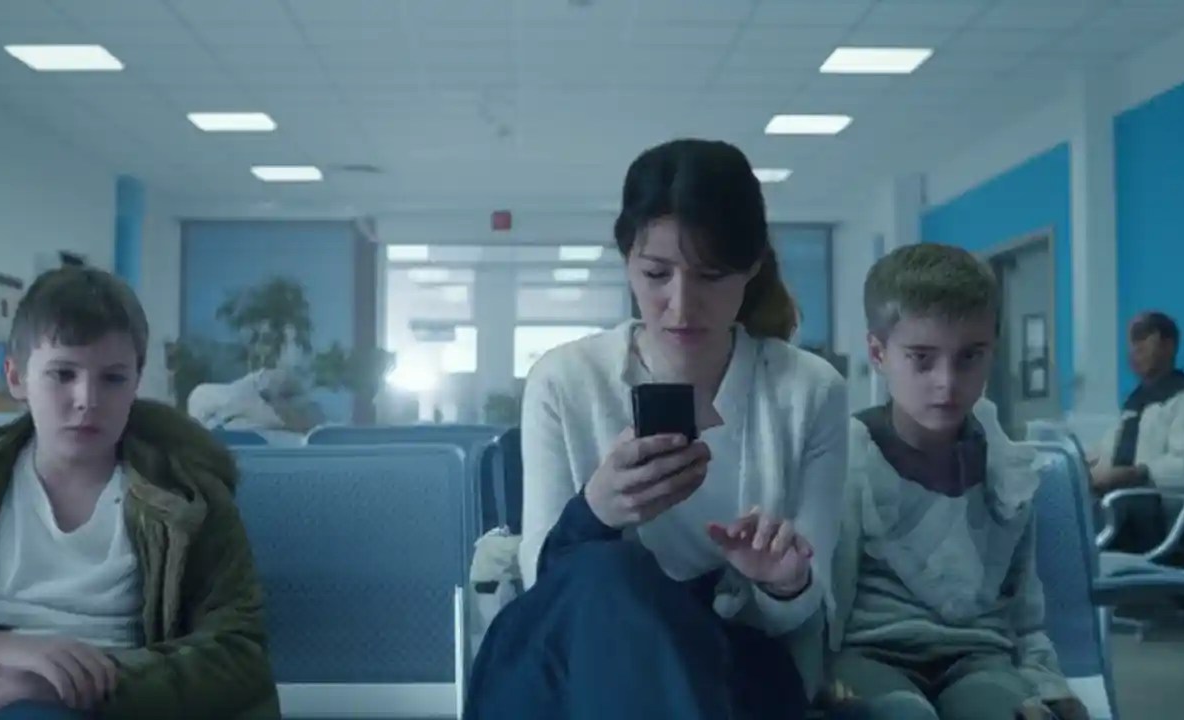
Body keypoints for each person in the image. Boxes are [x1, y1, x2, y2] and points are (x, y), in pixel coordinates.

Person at [465, 139, 849, 719]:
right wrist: (595, 511)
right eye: (656, 273)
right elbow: (542, 579)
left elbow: (799, 611)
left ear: (751, 268)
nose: (680, 304)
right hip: (577, 654)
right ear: (626, 261)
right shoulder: (566, 379)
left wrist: (781, 582)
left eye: (711, 276)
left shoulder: (809, 391)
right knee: (606, 570)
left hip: (724, 662)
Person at [0, 267, 279, 720]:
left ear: (137, 382)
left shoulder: (187, 496)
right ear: (16, 378)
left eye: (113, 378)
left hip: (114, 700)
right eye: (62, 374)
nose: (87, 398)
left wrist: (73, 682)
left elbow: (237, 654)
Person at [826, 243, 1087, 720]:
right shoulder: (846, 459)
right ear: (879, 352)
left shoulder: (1009, 470)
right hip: (870, 655)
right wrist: (816, 680)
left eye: (969, 357)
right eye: (922, 359)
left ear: (993, 348)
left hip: (979, 656)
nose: (947, 382)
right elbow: (825, 604)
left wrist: (1048, 684)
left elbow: (1025, 612)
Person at [1088, 311, 1184, 552]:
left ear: (1168, 345)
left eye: (1143, 337)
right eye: (1132, 341)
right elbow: (1105, 451)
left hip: (1170, 531)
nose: (1135, 348)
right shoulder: (1134, 405)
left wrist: (1135, 474)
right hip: (1122, 518)